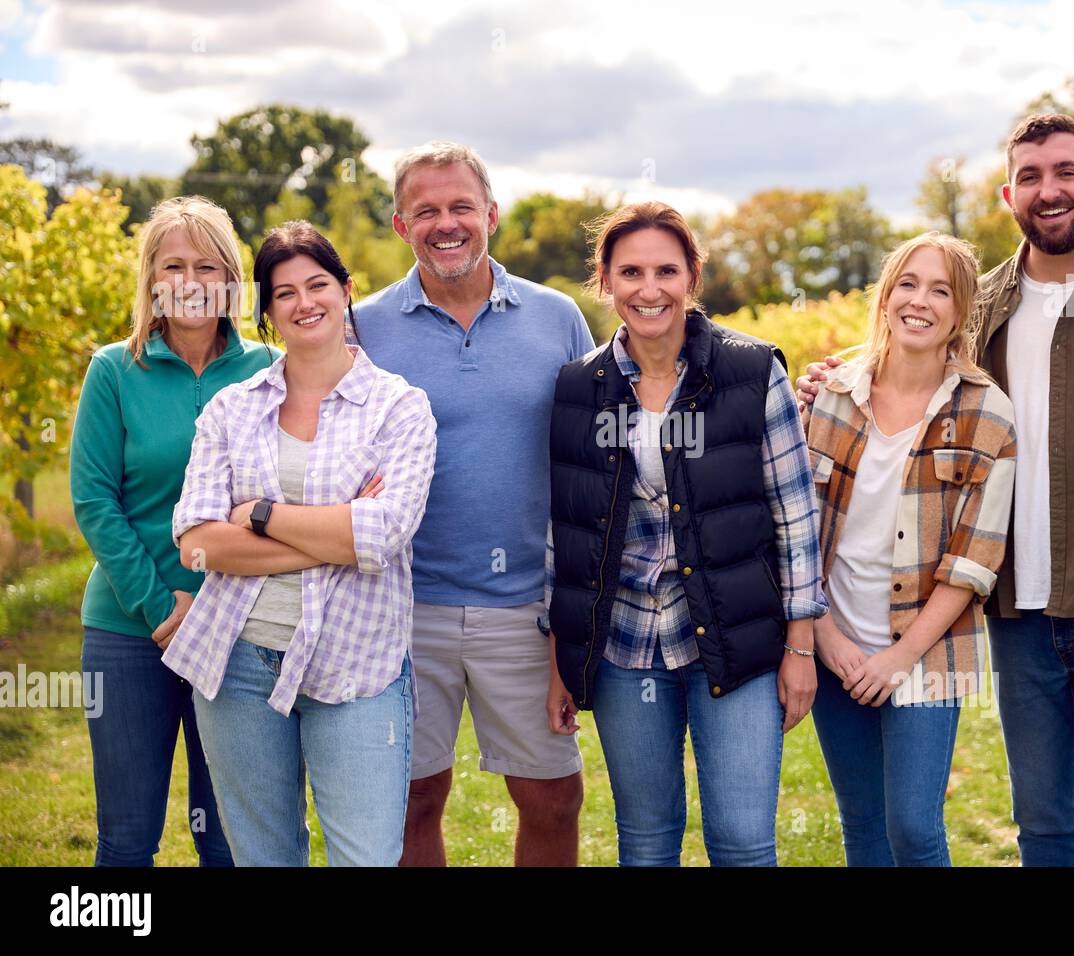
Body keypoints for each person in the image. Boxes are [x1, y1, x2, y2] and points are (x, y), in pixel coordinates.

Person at [797, 114, 1074, 866]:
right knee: (1042, 827)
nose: (1050, 190)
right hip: (1014, 611)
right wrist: (827, 377)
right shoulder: (983, 304)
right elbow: (906, 353)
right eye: (1032, 177)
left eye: (1067, 172)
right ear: (1011, 194)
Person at [545, 201, 827, 866]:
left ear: (692, 276)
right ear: (606, 281)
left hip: (735, 640)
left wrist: (802, 646)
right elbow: (564, 532)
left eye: (666, 270)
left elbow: (795, 516)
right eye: (631, 272)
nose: (650, 289)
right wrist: (561, 654)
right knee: (644, 843)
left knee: (742, 843)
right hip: (622, 647)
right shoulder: (578, 388)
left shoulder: (751, 371)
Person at [162, 221, 436, 866]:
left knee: (364, 857)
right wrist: (337, 532)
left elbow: (386, 530)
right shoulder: (231, 409)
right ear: (267, 312)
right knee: (263, 856)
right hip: (236, 663)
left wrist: (257, 513)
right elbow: (197, 543)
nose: (304, 302)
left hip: (358, 663)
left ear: (346, 291)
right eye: (284, 293)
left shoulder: (399, 408)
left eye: (317, 285)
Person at [351, 142, 593, 867]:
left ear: (491, 214)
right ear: (400, 225)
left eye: (461, 207)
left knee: (552, 798)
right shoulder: (366, 327)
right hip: (401, 604)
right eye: (426, 211)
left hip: (526, 608)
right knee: (412, 798)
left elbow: (592, 456)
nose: (445, 223)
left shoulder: (557, 319)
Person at [69, 196, 275, 867]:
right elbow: (95, 500)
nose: (191, 280)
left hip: (241, 635)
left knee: (228, 842)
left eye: (209, 266)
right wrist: (162, 611)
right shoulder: (113, 371)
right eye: (174, 265)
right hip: (130, 632)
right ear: (152, 278)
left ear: (232, 279)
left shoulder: (269, 371)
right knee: (126, 843)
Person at [803, 232, 1015, 866]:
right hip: (832, 642)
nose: (920, 301)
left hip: (927, 652)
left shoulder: (989, 416)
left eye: (941, 290)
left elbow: (973, 562)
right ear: (887, 295)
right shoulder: (830, 396)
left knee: (915, 831)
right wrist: (827, 639)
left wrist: (899, 658)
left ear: (960, 312)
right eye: (908, 283)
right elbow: (789, 534)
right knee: (862, 827)